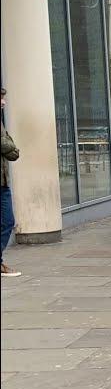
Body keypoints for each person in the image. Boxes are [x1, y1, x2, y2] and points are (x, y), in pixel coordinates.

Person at [1, 88, 20, 277]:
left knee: (8, 221)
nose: (3, 102)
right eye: (0, 98)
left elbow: (11, 148)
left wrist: (9, 146)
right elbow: (8, 145)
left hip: (3, 181)